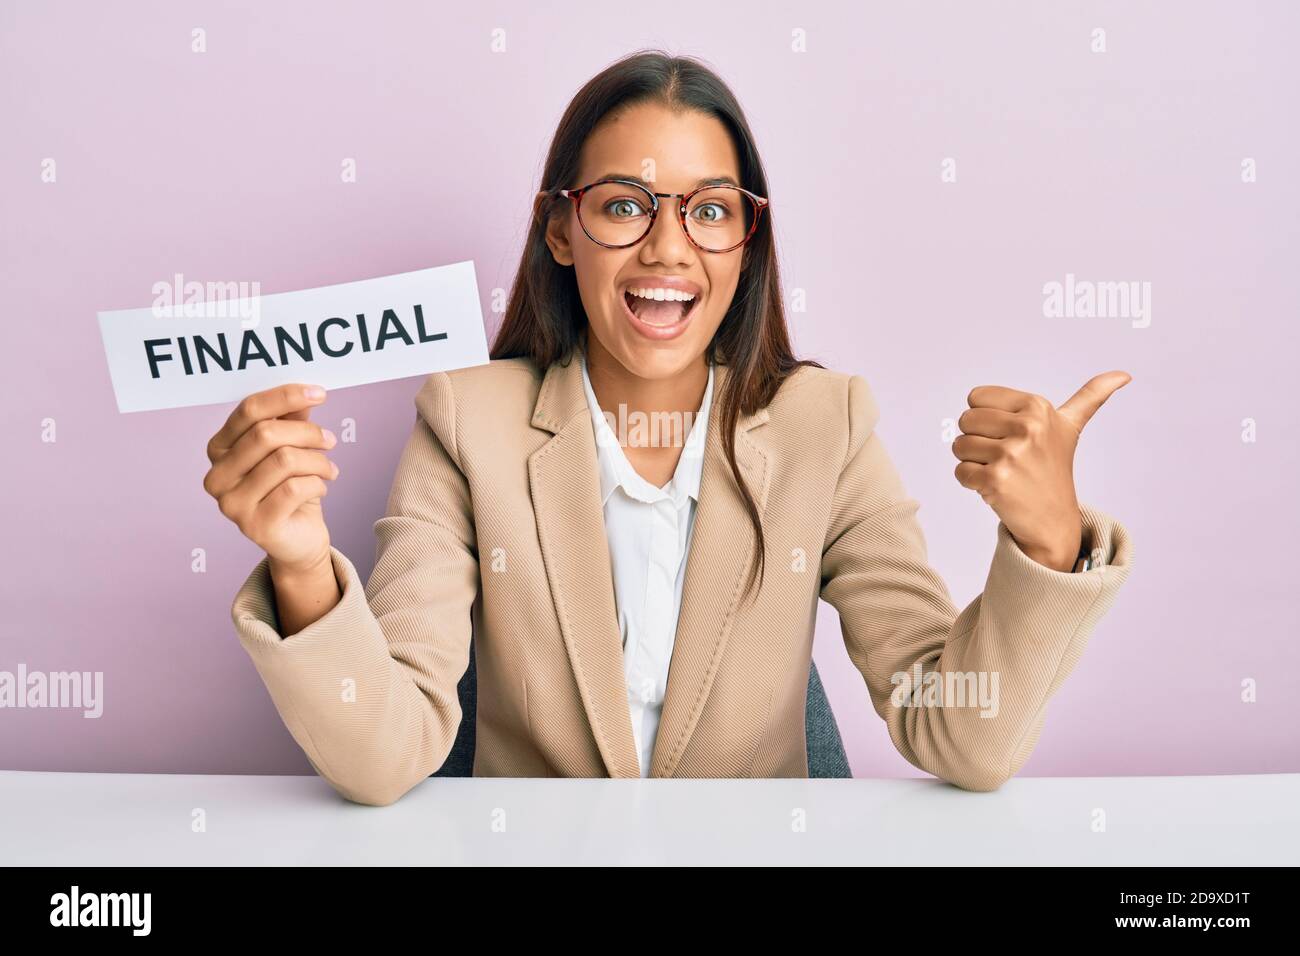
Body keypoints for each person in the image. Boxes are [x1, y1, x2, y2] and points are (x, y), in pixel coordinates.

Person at [204, 50, 1133, 806]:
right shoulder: (465, 419)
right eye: (623, 205)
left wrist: (1047, 542)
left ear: (746, 242)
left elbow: (960, 738)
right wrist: (296, 561)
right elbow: (382, 754)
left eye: (712, 211)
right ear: (559, 232)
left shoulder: (827, 428)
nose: (668, 246)